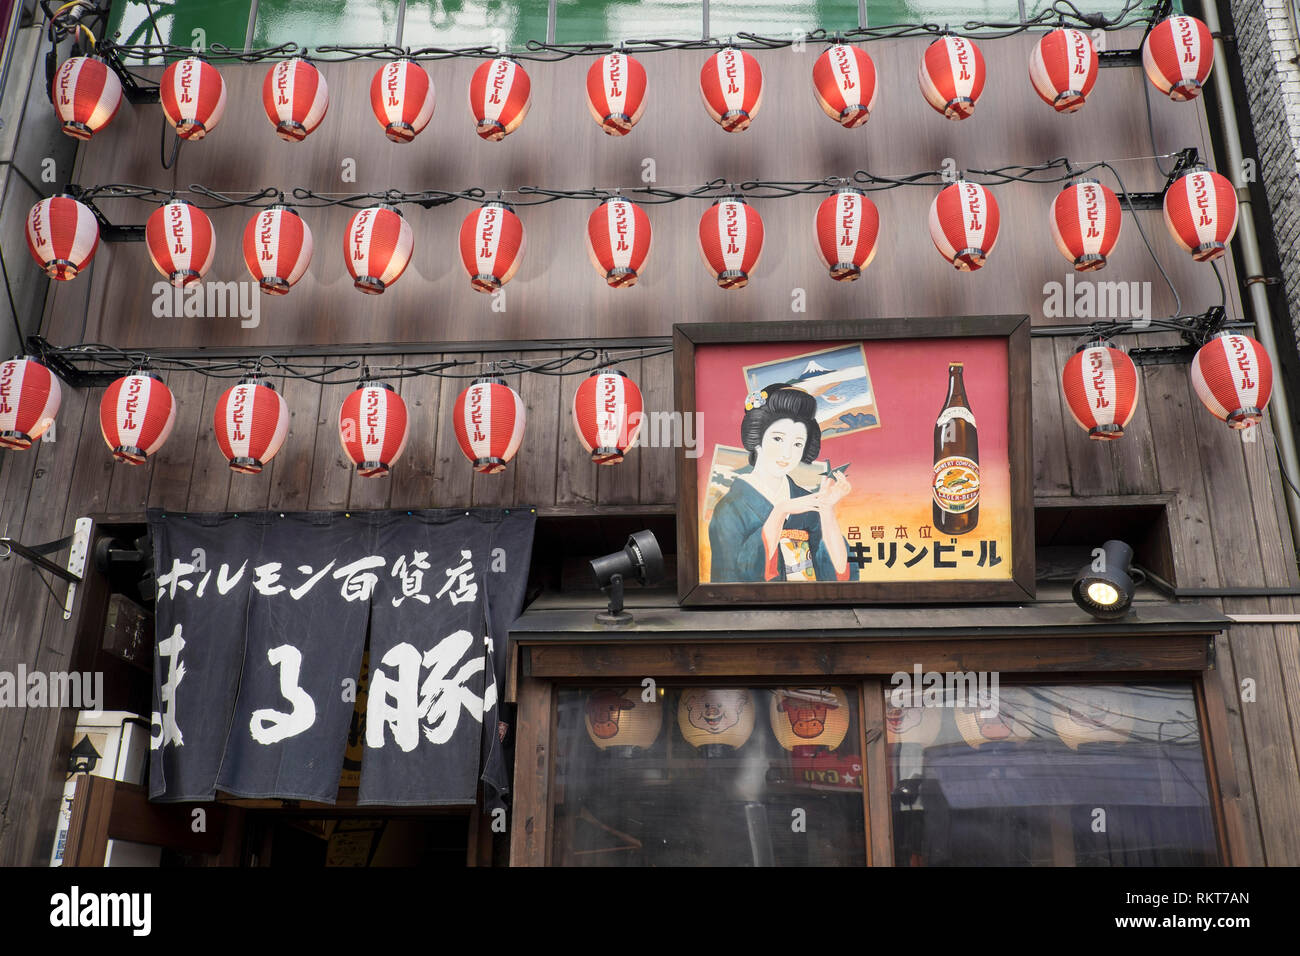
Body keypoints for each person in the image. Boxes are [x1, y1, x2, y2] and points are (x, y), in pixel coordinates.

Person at [709, 384, 852, 582]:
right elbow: (730, 578)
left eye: (797, 444)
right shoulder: (730, 509)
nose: (787, 453)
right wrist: (779, 512)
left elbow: (836, 571)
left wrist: (827, 510)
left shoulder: (805, 500)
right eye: (777, 439)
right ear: (758, 438)